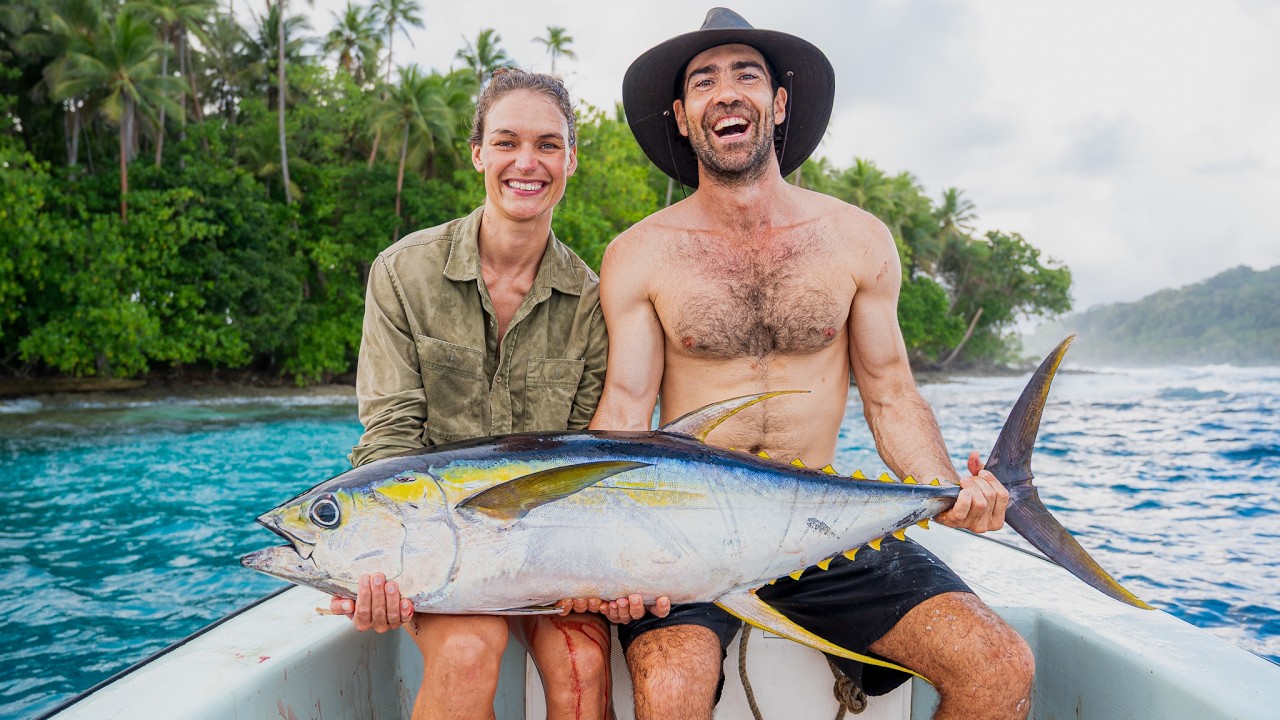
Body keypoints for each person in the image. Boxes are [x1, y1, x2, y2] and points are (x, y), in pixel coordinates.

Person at [576, 8, 1035, 720]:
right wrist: (604, 552)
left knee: (1000, 667)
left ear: (779, 102)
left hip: (823, 521)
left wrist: (950, 489)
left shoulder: (857, 238)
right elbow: (626, 413)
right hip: (686, 529)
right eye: (704, 81)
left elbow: (889, 395)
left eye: (746, 75)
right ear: (682, 113)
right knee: (669, 692)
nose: (726, 92)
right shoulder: (638, 254)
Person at [331, 68, 613, 720]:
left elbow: (589, 457)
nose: (527, 162)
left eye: (547, 144)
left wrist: (609, 575)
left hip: (554, 549)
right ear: (478, 152)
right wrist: (382, 568)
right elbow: (391, 439)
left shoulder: (596, 302)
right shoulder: (403, 273)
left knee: (584, 663)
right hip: (437, 547)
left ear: (570, 159)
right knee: (465, 650)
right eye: (507, 141)